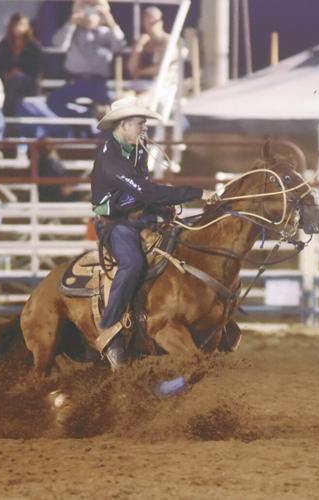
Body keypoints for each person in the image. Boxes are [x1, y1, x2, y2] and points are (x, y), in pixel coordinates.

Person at [90, 97, 216, 368]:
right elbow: (146, 191)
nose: (144, 129)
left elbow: (143, 191)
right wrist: (196, 193)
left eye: (144, 124)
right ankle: (109, 328)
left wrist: (161, 208)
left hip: (136, 215)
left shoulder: (137, 150)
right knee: (133, 263)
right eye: (139, 124)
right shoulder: (110, 159)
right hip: (114, 223)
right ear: (123, 125)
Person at [48, 0, 127, 119]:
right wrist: (72, 21)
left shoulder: (107, 33)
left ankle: (98, 128)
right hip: (75, 81)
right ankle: (83, 119)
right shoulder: (72, 30)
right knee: (53, 100)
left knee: (111, 108)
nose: (89, 15)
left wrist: (109, 18)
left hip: (98, 83)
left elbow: (120, 45)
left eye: (93, 11)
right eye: (86, 10)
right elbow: (59, 44)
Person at [0, 13, 42, 117]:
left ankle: (6, 114)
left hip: (28, 82)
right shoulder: (4, 45)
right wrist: (6, 74)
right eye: (17, 25)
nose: (19, 28)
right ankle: (7, 116)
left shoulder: (34, 46)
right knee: (11, 85)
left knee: (16, 81)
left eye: (22, 25)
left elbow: (37, 69)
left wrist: (20, 73)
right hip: (7, 81)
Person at [127, 6, 169, 80]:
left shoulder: (167, 41)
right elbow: (131, 68)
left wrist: (140, 72)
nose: (151, 22)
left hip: (163, 83)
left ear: (161, 22)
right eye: (148, 19)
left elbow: (162, 67)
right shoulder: (142, 40)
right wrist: (138, 47)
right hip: (139, 83)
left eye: (154, 20)